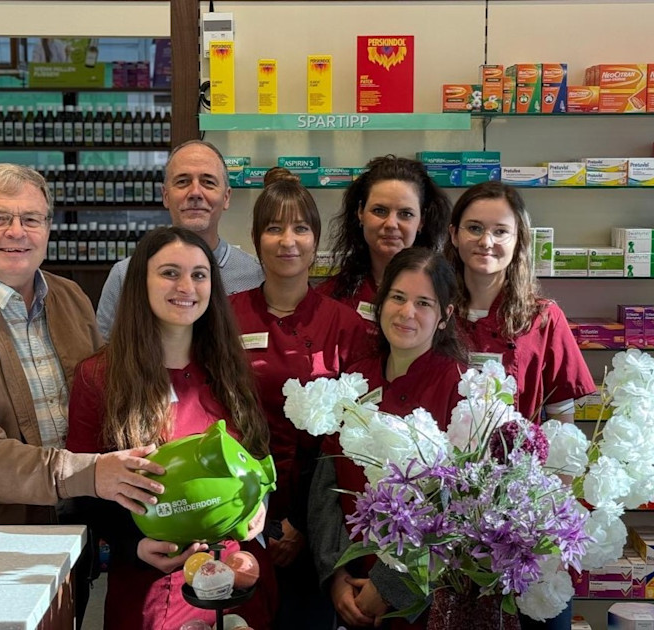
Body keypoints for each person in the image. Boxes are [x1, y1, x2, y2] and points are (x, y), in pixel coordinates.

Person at [0, 163, 164, 528]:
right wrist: (91, 473)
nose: (16, 232)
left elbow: (105, 403)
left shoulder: (70, 298)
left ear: (48, 229)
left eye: (32, 219)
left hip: (71, 529)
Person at [66, 226, 276, 630]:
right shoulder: (99, 377)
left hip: (238, 577)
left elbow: (260, 459)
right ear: (140, 282)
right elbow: (83, 490)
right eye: (169, 273)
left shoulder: (233, 371)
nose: (186, 286)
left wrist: (261, 504)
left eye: (199, 275)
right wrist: (135, 545)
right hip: (150, 584)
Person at [308, 248, 513, 629]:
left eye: (424, 303)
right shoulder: (356, 378)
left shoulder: (464, 389)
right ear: (381, 302)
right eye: (398, 298)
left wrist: (389, 588)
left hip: (431, 599)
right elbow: (327, 484)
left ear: (444, 316)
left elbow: (467, 511)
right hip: (353, 585)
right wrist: (336, 575)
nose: (407, 313)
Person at [444, 181, 597, 630]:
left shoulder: (543, 316)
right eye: (473, 228)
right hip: (448, 509)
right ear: (453, 234)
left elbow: (563, 427)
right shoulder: (435, 311)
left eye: (500, 231)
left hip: (525, 511)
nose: (486, 241)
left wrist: (547, 513)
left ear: (518, 240)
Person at [229, 168, 370, 629]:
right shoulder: (227, 317)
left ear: (314, 240)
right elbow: (219, 419)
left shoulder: (344, 324)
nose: (287, 240)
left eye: (300, 228)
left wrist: (305, 528)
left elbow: (351, 441)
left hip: (316, 523)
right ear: (256, 239)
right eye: (273, 228)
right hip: (240, 515)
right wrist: (264, 518)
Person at [95, 139, 263, 339]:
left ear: (226, 197)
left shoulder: (255, 276)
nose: (195, 193)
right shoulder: (125, 275)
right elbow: (104, 354)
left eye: (208, 182)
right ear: (165, 195)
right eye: (183, 181)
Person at [317, 155, 452, 331]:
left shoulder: (443, 294)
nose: (391, 224)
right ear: (360, 213)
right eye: (379, 210)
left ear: (421, 221)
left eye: (406, 214)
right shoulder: (330, 296)